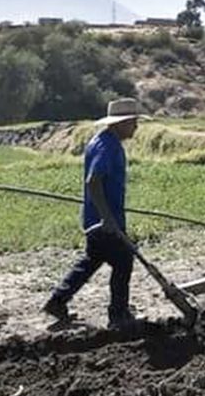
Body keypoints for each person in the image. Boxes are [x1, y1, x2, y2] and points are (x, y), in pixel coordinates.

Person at [43, 97, 143, 328]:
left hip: (96, 217)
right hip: (104, 220)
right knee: (123, 261)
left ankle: (57, 300)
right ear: (120, 123)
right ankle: (118, 315)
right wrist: (107, 217)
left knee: (92, 259)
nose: (136, 126)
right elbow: (93, 182)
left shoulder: (101, 141)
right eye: (133, 122)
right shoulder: (108, 146)